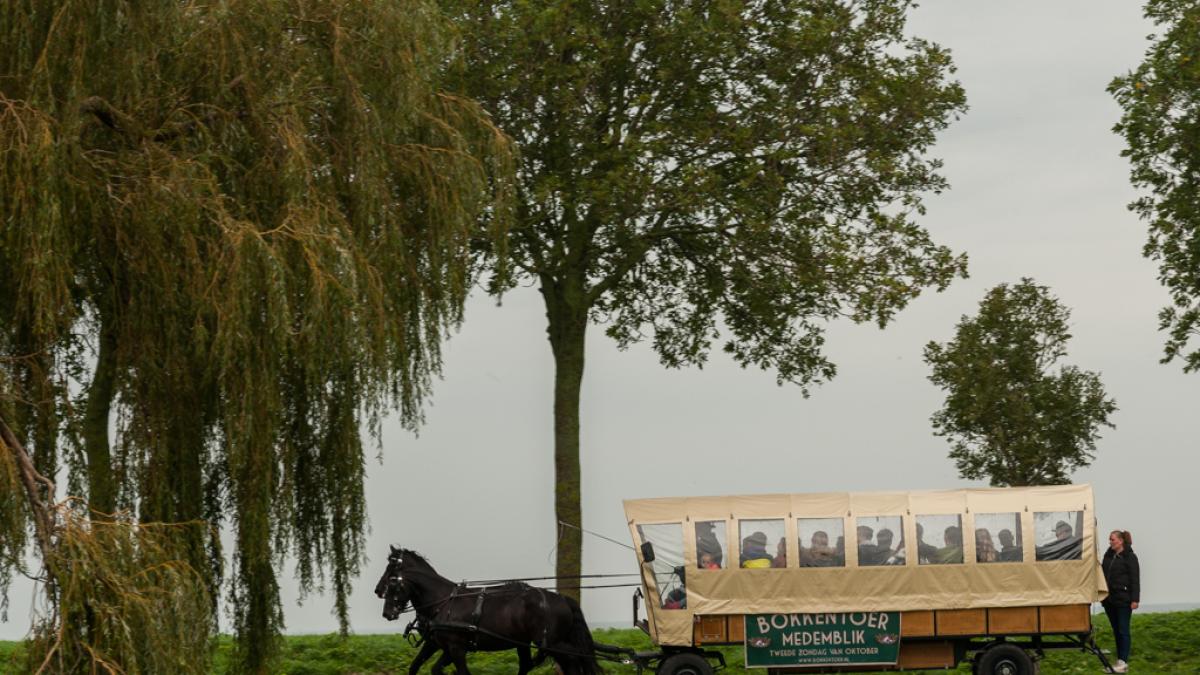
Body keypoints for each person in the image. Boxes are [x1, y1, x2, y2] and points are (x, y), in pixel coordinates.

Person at [1101, 530, 1140, 673]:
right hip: (1109, 600)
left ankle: (1123, 661)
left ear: (1121, 541)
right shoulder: (1108, 556)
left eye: (1112, 539)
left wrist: (1135, 599)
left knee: (1123, 630)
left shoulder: (1130, 557)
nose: (1110, 542)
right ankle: (1119, 662)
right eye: (1109, 539)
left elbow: (1135, 579)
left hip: (1124, 600)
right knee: (1116, 630)